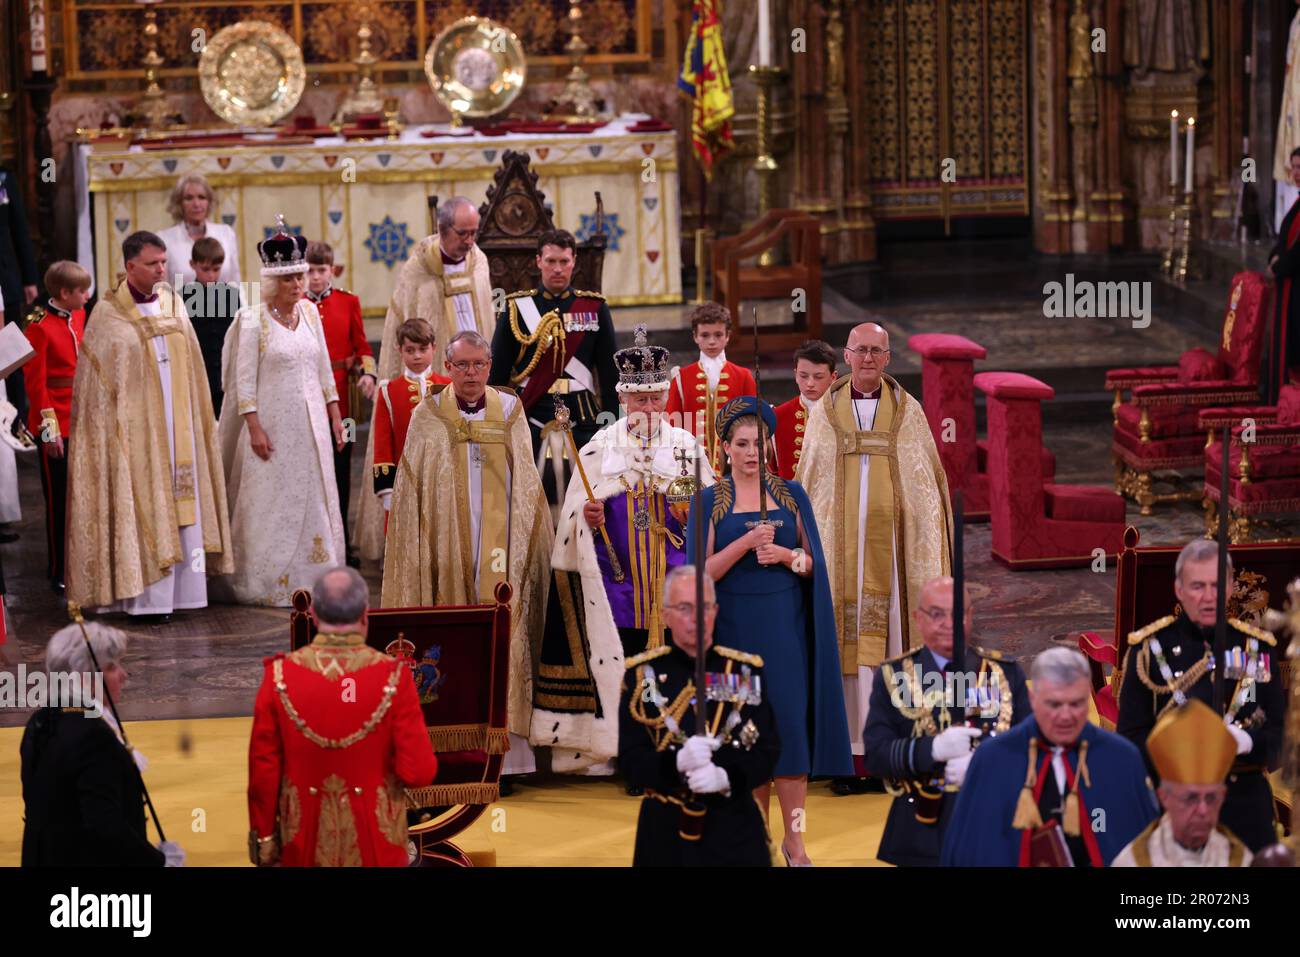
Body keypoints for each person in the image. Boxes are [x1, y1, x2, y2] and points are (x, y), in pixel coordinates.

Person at [532, 325, 714, 774]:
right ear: (624, 402)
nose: (648, 408)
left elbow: (708, 511)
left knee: (673, 668)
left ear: (665, 400)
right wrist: (588, 520)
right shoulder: (599, 449)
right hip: (619, 587)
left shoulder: (686, 448)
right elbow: (573, 518)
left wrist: (684, 502)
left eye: (656, 399)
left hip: (673, 585)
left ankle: (676, 751)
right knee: (629, 671)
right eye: (640, 400)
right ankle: (631, 756)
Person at [687, 395, 851, 865]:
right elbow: (700, 574)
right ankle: (756, 834)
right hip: (733, 633)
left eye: (758, 444)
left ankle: (795, 840)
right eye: (741, 444)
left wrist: (784, 556)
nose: (751, 453)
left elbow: (812, 563)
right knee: (746, 737)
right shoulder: (707, 501)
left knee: (791, 740)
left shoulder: (790, 494)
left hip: (785, 633)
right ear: (725, 448)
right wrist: (745, 542)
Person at [381, 330, 552, 777]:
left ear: (490, 366)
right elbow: (411, 493)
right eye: (461, 365)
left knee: (503, 642)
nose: (471, 373)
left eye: (478, 365)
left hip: (502, 550)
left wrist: (523, 549)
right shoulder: (427, 415)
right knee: (456, 644)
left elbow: (529, 487)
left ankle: (507, 761)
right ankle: (456, 754)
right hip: (447, 552)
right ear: (448, 367)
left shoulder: (511, 411)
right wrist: (422, 553)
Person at [796, 322, 953, 791]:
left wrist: (921, 538)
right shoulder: (826, 412)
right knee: (845, 651)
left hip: (895, 557)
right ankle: (847, 758)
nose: (867, 358)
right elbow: (811, 482)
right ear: (846, 356)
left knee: (893, 646)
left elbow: (927, 485)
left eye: (876, 351)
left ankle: (895, 752)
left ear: (888, 358)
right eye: (860, 350)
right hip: (842, 556)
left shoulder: (909, 412)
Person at [67, 230, 233, 620]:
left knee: (182, 499)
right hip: (136, 437)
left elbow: (192, 368)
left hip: (180, 430)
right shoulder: (107, 315)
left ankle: (185, 594)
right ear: (130, 267)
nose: (162, 269)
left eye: (163, 262)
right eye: (153, 263)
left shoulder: (174, 303)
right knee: (143, 499)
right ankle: (146, 599)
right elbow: (100, 389)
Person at [248, 567, 438, 866]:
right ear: (365, 614)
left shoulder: (278, 676)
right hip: (377, 845)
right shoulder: (395, 678)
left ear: (312, 614)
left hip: (303, 845)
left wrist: (265, 840)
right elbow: (419, 773)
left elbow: (263, 775)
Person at [1116, 538, 1285, 851]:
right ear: (1179, 590)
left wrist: (1246, 741)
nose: (1209, 597)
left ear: (1232, 587)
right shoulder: (1150, 651)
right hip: (1173, 806)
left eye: (1217, 585)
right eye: (1197, 586)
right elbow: (1130, 738)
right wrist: (1177, 757)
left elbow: (1280, 735)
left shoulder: (1255, 649)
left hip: (1242, 801)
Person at [357, 197, 494, 562]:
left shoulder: (479, 261)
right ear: (442, 229)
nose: (470, 241)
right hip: (436, 383)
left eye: (474, 232)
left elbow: (487, 317)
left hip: (475, 377)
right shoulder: (418, 269)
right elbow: (398, 328)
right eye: (462, 233)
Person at [217, 220, 346, 606]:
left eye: (300, 277)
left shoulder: (308, 314)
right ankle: (266, 582)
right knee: (272, 498)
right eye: (289, 279)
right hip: (271, 425)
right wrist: (253, 427)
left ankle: (319, 577)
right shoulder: (252, 319)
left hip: (312, 428)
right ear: (273, 282)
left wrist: (336, 414)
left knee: (316, 494)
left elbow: (323, 367)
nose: (298, 285)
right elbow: (243, 381)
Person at [864, 575, 1031, 866]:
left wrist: (984, 765)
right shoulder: (894, 677)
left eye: (957, 613)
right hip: (921, 831)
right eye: (936, 614)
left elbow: (1032, 750)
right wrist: (933, 750)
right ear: (918, 618)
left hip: (992, 825)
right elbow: (877, 755)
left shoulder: (1005, 674)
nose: (948, 623)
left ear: (970, 616)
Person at [619, 565, 780, 866]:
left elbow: (767, 751)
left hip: (734, 829)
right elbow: (629, 761)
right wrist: (674, 764)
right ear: (666, 615)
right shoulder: (643, 675)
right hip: (665, 832)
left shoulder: (745, 672)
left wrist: (726, 777)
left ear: (716, 611)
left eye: (704, 607)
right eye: (684, 608)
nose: (697, 617)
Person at [941, 647, 1159, 866]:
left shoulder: (1121, 759)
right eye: (1054, 704)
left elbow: (1142, 849)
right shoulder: (993, 759)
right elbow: (969, 852)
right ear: (1033, 699)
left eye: (1076, 704)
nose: (1065, 716)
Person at [21, 622, 185, 866]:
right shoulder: (93, 736)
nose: (123, 675)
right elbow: (105, 825)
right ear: (84, 676)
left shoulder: (41, 720)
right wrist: (157, 863)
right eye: (111, 667)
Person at [489, 229, 619, 454]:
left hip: (583, 414)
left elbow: (609, 375)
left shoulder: (594, 307)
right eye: (550, 261)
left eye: (564, 261)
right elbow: (498, 372)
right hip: (530, 410)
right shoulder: (515, 308)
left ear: (574, 262)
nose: (557, 269)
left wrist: (613, 426)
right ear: (538, 261)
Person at [1112, 699, 1253, 867]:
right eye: (1191, 798)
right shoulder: (1132, 862)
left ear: (1223, 795)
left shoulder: (1241, 860)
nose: (1203, 810)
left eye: (1211, 798)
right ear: (1163, 797)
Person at [305, 241, 376, 566]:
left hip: (344, 403)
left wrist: (368, 375)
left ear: (332, 270)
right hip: (307, 399)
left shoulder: (349, 302)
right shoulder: (296, 305)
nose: (315, 277)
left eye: (321, 270)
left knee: (342, 470)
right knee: (310, 471)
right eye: (309, 270)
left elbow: (363, 346)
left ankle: (343, 544)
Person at [25, 261, 90, 593]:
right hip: (56, 423)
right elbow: (37, 387)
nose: (87, 296)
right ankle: (58, 568)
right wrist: (49, 432)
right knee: (59, 500)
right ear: (64, 294)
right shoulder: (37, 323)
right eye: (82, 291)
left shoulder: (78, 314)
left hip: (82, 417)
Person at [371, 317, 450, 518]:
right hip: (403, 479)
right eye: (410, 350)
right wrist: (387, 489)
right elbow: (382, 441)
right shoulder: (388, 390)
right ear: (400, 350)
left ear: (434, 348)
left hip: (442, 477)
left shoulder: (449, 387)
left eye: (423, 349)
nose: (417, 356)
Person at [664, 302, 756, 472]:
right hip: (692, 468)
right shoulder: (681, 378)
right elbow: (672, 425)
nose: (712, 341)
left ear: (728, 336)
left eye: (718, 335)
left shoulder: (743, 376)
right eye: (705, 335)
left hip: (735, 468)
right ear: (695, 336)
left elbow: (753, 425)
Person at [180, 236, 241, 417]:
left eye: (216, 269)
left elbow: (238, 335)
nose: (211, 275)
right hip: (197, 375)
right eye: (205, 269)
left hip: (226, 375)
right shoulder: (183, 297)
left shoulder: (231, 295)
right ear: (193, 264)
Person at [0, 163, 37, 444]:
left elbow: (19, 230)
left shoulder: (4, 177)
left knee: (10, 355)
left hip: (5, 278)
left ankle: (17, 422)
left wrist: (29, 278)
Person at [157, 172, 241, 287]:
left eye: (201, 197)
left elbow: (236, 282)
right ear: (179, 203)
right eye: (189, 198)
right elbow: (162, 289)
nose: (196, 204)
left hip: (223, 303)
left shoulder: (226, 233)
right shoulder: (164, 239)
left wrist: (243, 304)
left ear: (209, 201)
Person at [774, 340, 837, 480]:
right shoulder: (778, 416)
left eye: (818, 377)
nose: (810, 384)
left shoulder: (844, 414)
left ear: (833, 377)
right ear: (796, 374)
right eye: (803, 376)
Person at [1267, 145, 1300, 400]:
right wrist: (1273, 257)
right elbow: (1283, 239)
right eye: (1294, 167)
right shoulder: (1297, 202)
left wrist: (1278, 265)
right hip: (1289, 288)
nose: (1296, 172)